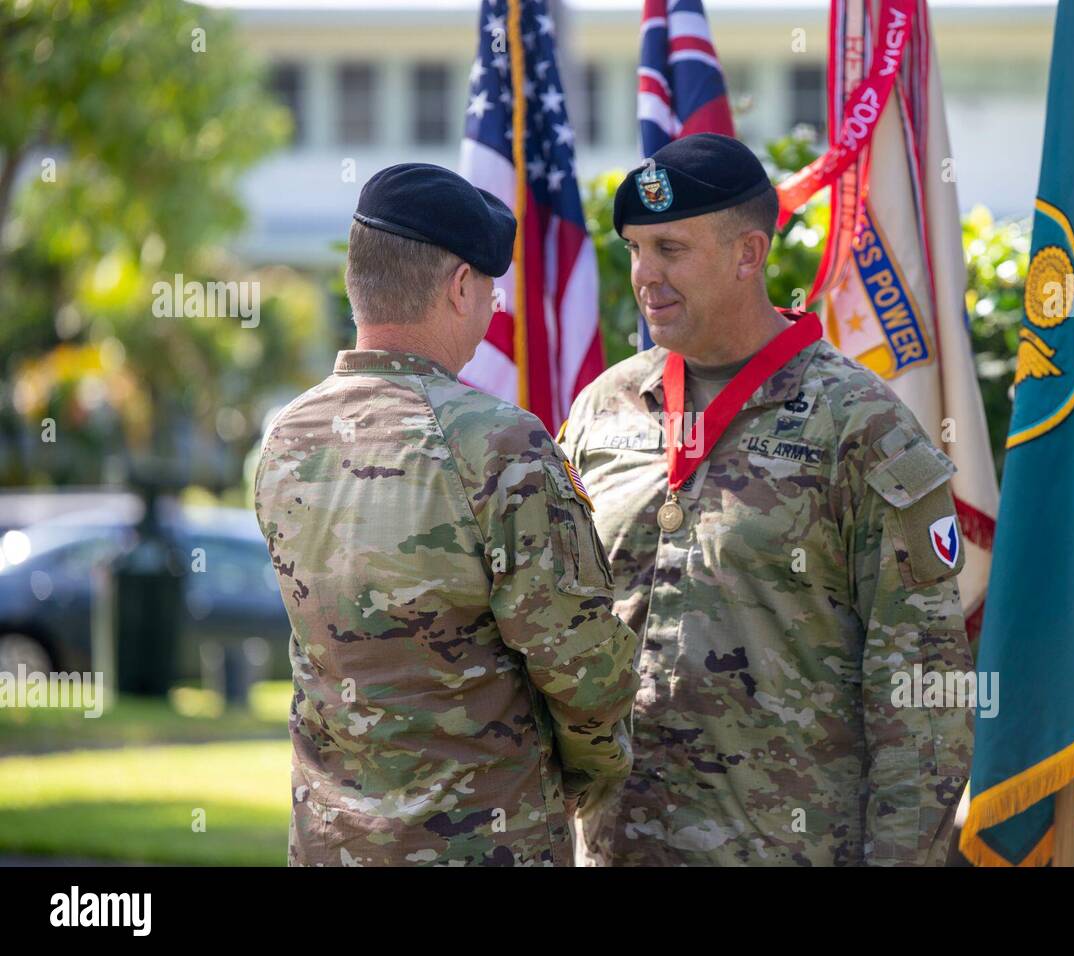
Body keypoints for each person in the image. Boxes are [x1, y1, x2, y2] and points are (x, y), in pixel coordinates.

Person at [558, 134, 974, 866]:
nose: (643, 275)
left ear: (749, 255)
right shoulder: (603, 408)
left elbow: (922, 693)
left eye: (671, 249)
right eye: (633, 248)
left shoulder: (863, 425)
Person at [254, 163, 639, 866]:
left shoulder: (287, 437)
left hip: (329, 844)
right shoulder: (499, 444)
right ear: (461, 286)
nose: (493, 309)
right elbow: (582, 668)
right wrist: (589, 777)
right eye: (490, 290)